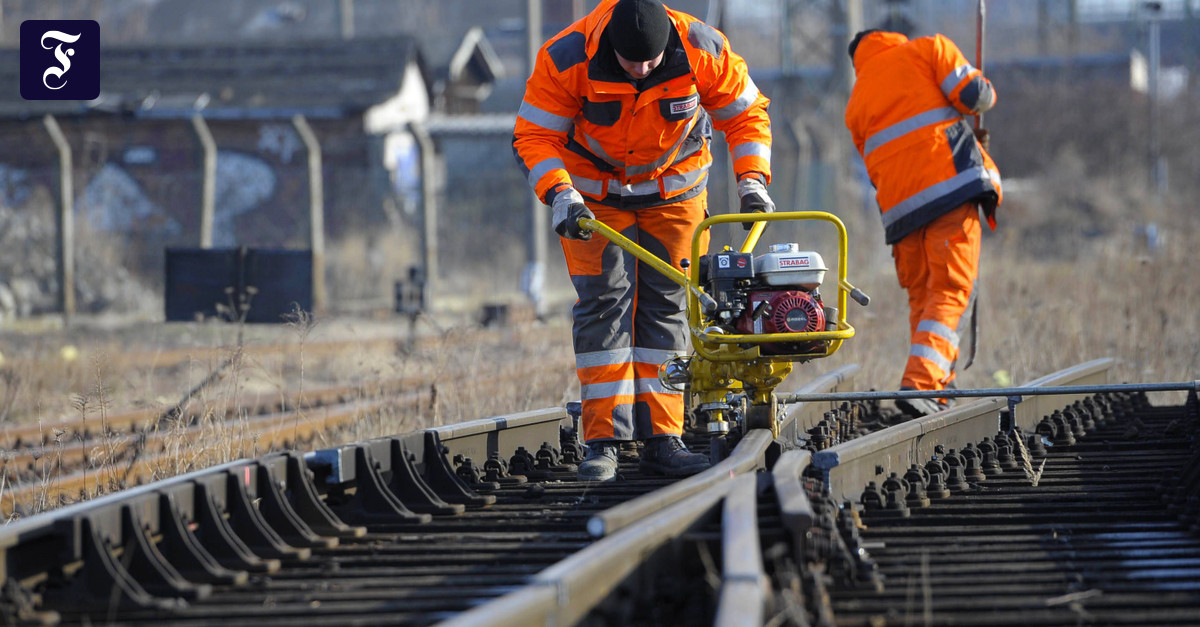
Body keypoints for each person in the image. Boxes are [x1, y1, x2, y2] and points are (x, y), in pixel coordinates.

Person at [512, 0, 774, 481]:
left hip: (676, 193)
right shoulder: (566, 57)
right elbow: (533, 136)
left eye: (651, 63)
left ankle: (663, 438)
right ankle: (604, 441)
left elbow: (746, 113)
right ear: (609, 46)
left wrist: (752, 180)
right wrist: (562, 196)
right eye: (632, 63)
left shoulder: (702, 47)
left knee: (668, 305)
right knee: (603, 307)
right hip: (594, 201)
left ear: (668, 44)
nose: (642, 70)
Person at [843, 29, 1002, 419]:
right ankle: (922, 384)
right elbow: (974, 95)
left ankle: (938, 386)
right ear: (891, 38)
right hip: (948, 192)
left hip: (901, 214)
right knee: (950, 290)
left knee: (925, 296)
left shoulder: (856, 102)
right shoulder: (929, 49)